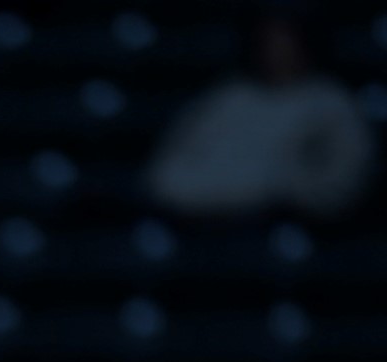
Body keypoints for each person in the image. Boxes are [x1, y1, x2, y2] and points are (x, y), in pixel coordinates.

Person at [146, 13, 375, 219]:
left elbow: (342, 184)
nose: (277, 51)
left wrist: (286, 190)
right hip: (212, 230)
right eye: (270, 42)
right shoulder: (228, 98)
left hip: (296, 229)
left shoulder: (331, 101)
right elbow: (166, 180)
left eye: (285, 42)